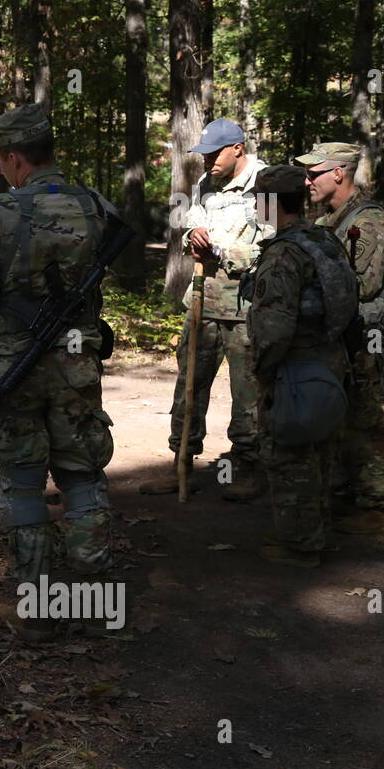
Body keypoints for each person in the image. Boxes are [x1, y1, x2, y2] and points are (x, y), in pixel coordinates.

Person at [0, 102, 115, 640]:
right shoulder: (96, 206)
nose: (1, 170)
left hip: (14, 366)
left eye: (0, 160)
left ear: (13, 158)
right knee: (81, 473)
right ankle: (95, 592)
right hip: (77, 361)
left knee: (25, 481)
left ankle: (38, 608)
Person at [141, 118, 270, 499]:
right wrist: (192, 236)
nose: (208, 161)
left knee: (247, 393)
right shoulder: (206, 184)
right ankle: (180, 461)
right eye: (205, 154)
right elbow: (194, 223)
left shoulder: (265, 186)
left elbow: (273, 244)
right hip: (202, 299)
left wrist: (222, 251)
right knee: (189, 386)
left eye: (215, 153)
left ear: (237, 150)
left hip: (246, 306)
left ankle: (247, 467)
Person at [245, 166, 358, 567]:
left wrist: (263, 369)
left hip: (294, 367)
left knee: (290, 453)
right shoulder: (323, 239)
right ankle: (317, 530)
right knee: (320, 450)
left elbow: (274, 327)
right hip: (330, 362)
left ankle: (301, 545)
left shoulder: (283, 254)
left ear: (270, 203)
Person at [299, 142, 384, 533]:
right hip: (336, 335)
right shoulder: (330, 220)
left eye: (314, 174)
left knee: (364, 416)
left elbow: (366, 285)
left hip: (361, 338)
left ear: (339, 173)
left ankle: (378, 505)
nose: (307, 181)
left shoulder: (369, 221)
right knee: (337, 413)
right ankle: (346, 491)